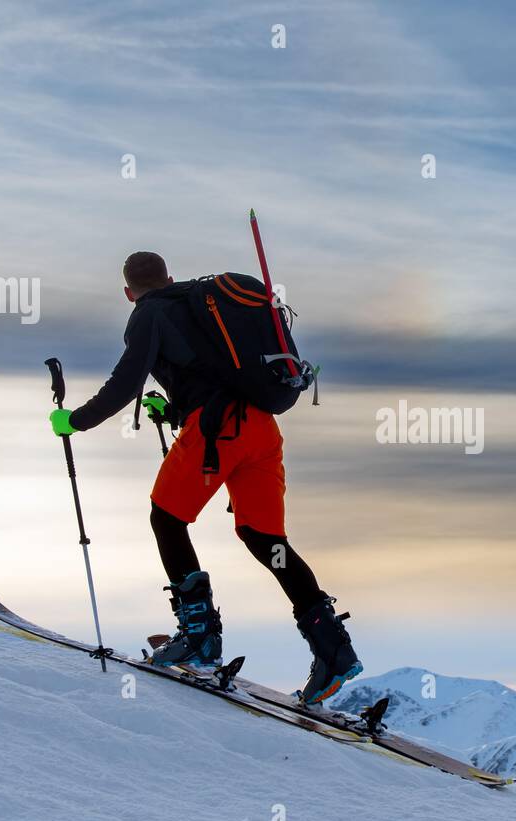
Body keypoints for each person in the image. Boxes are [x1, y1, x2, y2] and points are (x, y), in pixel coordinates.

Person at [46, 251, 361, 704]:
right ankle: (334, 650)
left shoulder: (147, 313)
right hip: (262, 430)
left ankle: (199, 638)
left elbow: (124, 382)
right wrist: (172, 409)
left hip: (219, 433)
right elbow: (216, 376)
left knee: (167, 518)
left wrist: (75, 421)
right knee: (264, 538)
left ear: (128, 292)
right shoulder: (200, 302)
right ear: (170, 277)